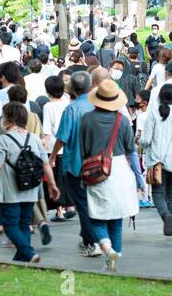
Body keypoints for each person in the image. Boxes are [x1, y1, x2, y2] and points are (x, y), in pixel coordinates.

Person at [0, 102, 56, 263]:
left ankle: (29, 252)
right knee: (24, 223)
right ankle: (21, 257)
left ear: (7, 121)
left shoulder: (3, 140)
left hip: (10, 191)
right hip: (31, 190)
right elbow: (45, 164)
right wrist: (52, 185)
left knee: (11, 226)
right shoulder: (34, 139)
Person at [78, 78, 140, 272]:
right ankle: (115, 257)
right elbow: (132, 150)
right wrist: (139, 178)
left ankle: (107, 249)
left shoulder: (87, 119)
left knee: (96, 217)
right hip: (121, 170)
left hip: (97, 170)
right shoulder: (122, 121)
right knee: (117, 219)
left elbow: (84, 150)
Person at [52, 71, 99, 256]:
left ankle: (92, 240)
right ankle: (91, 236)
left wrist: (53, 156)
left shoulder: (71, 109)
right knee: (93, 202)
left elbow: (62, 137)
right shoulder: (98, 105)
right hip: (99, 162)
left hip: (76, 164)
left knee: (82, 203)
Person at [141, 83, 172, 237]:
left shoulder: (154, 112)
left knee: (158, 193)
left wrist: (138, 141)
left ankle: (165, 215)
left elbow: (146, 139)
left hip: (157, 160)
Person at [40, 74, 73, 223]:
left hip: (52, 147)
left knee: (54, 179)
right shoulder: (67, 103)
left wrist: (41, 146)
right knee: (65, 178)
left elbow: (47, 131)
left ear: (48, 91)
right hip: (67, 146)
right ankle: (68, 207)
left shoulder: (48, 106)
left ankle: (59, 211)